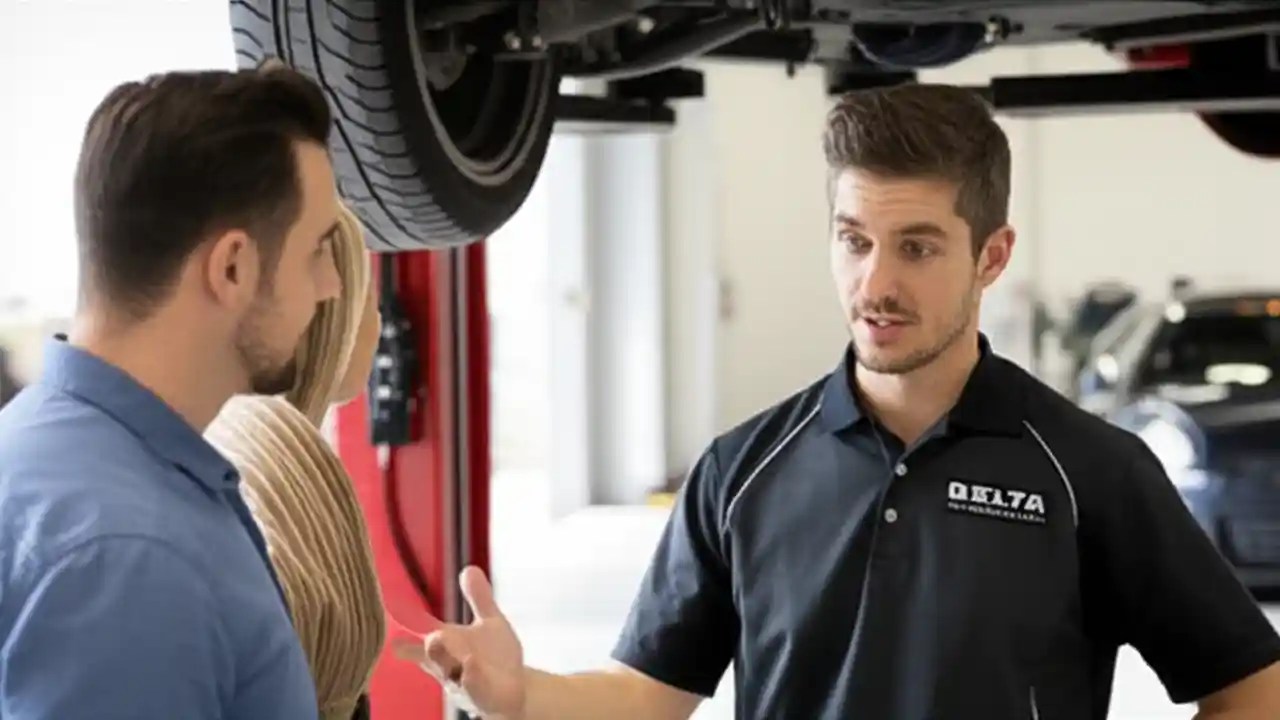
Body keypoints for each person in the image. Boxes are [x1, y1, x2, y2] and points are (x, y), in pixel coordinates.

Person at [395, 84, 1280, 719]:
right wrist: (522, 697)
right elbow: (644, 696)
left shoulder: (1088, 470)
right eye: (854, 240)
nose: (876, 283)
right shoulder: (740, 473)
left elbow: (1251, 683)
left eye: (919, 247)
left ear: (993, 256)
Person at [0, 66, 341, 718]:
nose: (330, 288)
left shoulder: (43, 449)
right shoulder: (130, 562)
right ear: (233, 267)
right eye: (317, 252)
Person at [205, 201, 385, 720]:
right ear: (334, 320)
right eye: (366, 297)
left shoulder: (221, 443)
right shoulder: (284, 472)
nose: (377, 321)